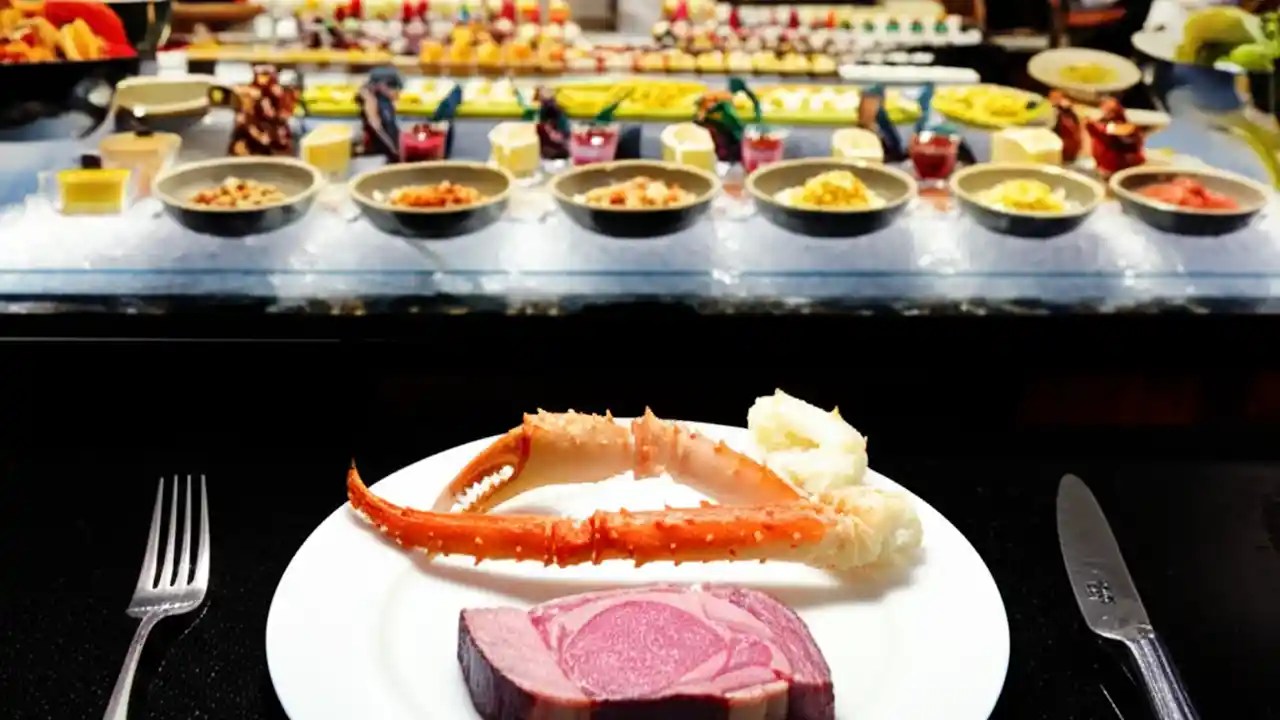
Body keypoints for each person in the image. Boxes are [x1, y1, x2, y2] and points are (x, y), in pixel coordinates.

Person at [357, 65, 403, 160]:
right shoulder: (371, 101)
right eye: (393, 87)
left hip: (387, 151)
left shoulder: (385, 101)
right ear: (381, 85)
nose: (397, 92)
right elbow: (377, 127)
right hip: (378, 154)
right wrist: (394, 149)